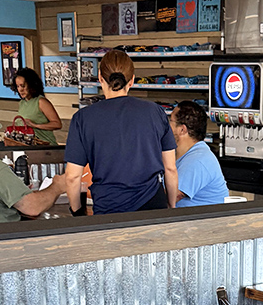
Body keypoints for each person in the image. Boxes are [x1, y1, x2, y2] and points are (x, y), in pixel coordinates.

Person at [64, 49, 178, 215]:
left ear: (100, 78)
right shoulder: (156, 112)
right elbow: (170, 169)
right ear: (131, 80)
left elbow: (72, 177)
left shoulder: (82, 119)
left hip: (109, 208)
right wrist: (171, 205)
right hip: (153, 204)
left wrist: (77, 212)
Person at [169, 101, 228, 207]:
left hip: (199, 223)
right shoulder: (183, 155)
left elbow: (170, 198)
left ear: (182, 129)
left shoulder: (198, 160)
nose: (166, 126)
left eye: (170, 121)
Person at [12, 67, 62, 145]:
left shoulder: (41, 102)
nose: (20, 89)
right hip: (28, 146)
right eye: (18, 86)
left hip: (45, 147)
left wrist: (35, 125)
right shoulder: (22, 103)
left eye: (23, 86)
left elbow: (57, 124)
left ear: (31, 85)